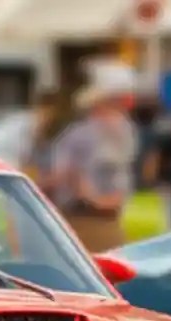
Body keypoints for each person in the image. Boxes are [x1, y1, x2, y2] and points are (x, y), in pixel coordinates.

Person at [51, 81, 138, 253]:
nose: (119, 111)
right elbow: (65, 173)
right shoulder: (80, 135)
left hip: (108, 217)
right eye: (113, 104)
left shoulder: (122, 132)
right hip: (83, 217)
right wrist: (93, 199)